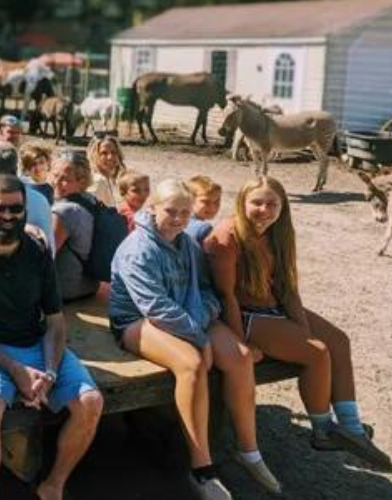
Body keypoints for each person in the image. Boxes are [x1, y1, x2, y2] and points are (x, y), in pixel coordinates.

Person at [203, 176, 392, 470]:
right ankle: (322, 431)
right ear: (242, 203)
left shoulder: (278, 233)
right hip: (245, 315)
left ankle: (351, 428)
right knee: (316, 353)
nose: (265, 210)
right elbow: (226, 296)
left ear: (282, 207)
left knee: (338, 341)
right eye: (257, 202)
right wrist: (242, 344)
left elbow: (289, 289)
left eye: (272, 204)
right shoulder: (227, 238)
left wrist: (299, 328)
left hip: (273, 306)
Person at [109, 179, 275, 500]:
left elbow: (205, 291)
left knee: (239, 357)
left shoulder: (186, 243)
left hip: (190, 313)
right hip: (138, 321)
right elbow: (155, 307)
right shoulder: (137, 249)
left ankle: (249, 450)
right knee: (192, 363)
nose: (178, 218)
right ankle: (202, 467)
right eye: (170, 211)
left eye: (185, 212)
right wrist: (200, 337)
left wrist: (204, 319)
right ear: (153, 208)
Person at [0, 175, 104, 500]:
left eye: (15, 209)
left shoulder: (37, 251)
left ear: (26, 209)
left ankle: (53, 485)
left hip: (32, 341)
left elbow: (56, 321)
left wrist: (50, 371)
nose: (7, 217)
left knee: (91, 402)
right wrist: (15, 370)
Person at [48, 151, 104, 301]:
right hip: (91, 284)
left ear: (82, 181)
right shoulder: (91, 200)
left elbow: (47, 253)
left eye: (65, 179)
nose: (56, 182)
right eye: (54, 175)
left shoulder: (64, 211)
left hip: (65, 288)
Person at [86, 136, 125, 206]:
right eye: (104, 153)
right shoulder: (98, 181)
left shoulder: (107, 180)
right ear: (94, 156)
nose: (110, 157)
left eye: (113, 152)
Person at [185, 175, 222, 244]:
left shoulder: (180, 222)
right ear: (190, 200)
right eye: (206, 202)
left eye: (217, 201)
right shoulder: (204, 229)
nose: (212, 207)